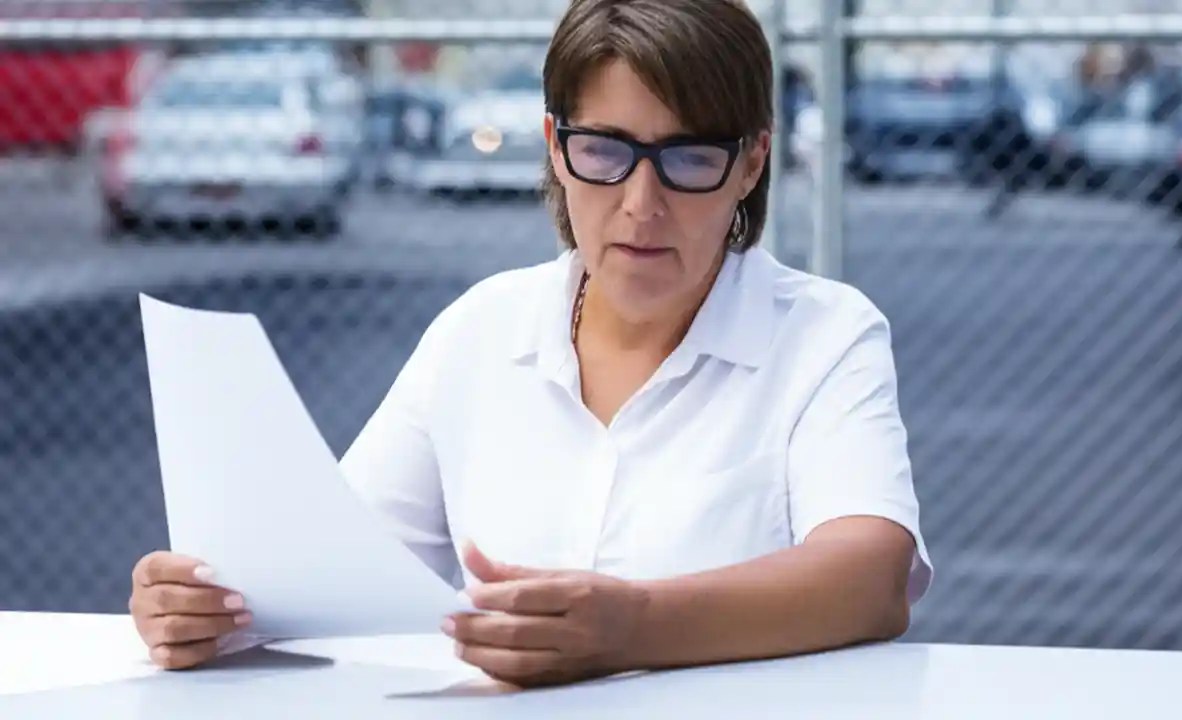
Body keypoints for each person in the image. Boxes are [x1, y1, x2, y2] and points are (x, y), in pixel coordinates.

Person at [128, 0, 932, 688]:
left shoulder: (825, 334)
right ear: (555, 144)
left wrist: (634, 627)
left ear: (752, 161)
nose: (640, 204)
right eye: (606, 153)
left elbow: (870, 577)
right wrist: (210, 608)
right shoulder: (482, 330)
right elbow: (325, 571)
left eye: (688, 157)